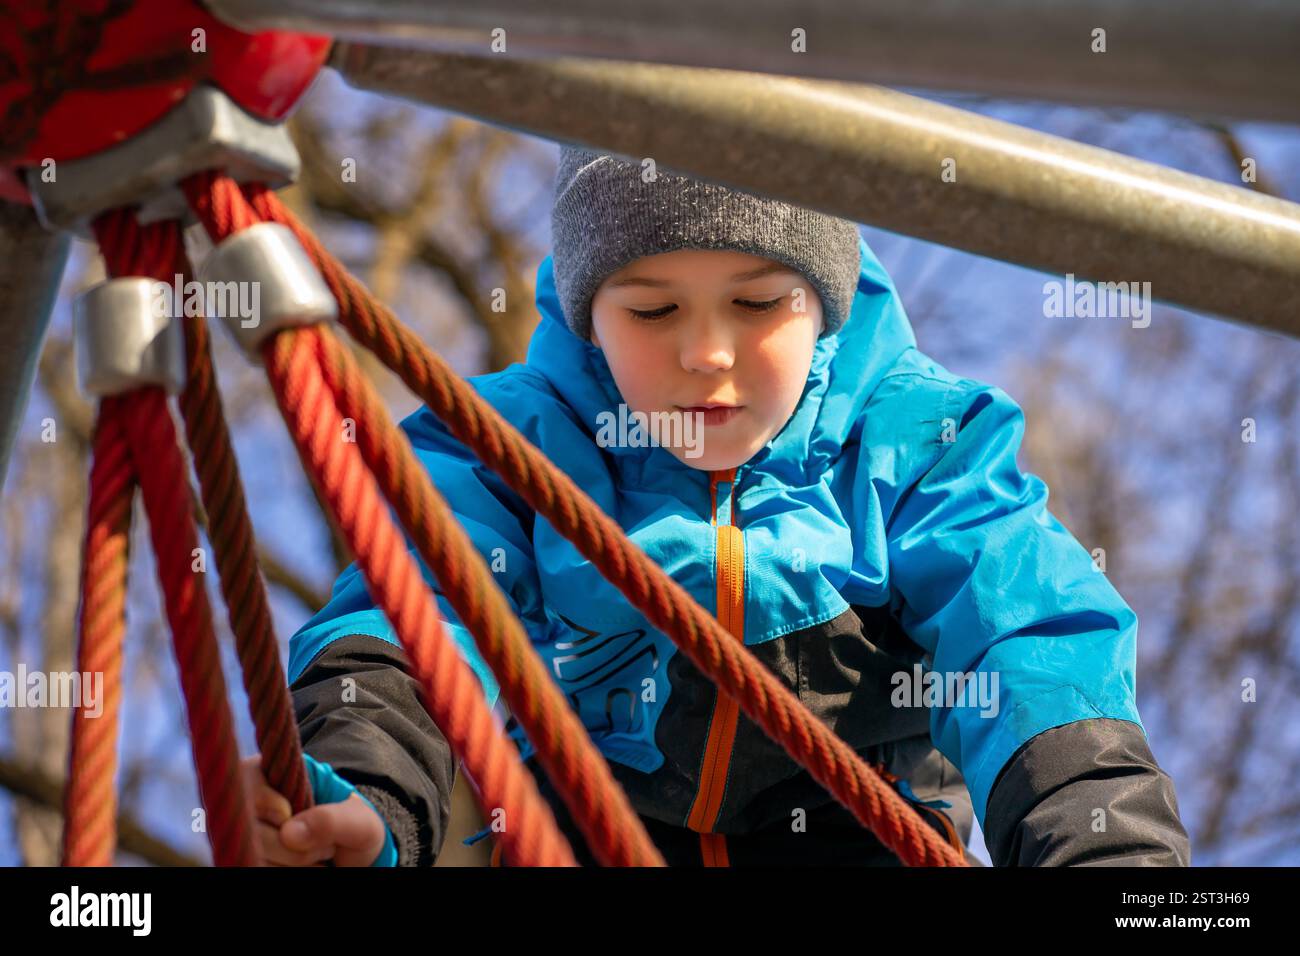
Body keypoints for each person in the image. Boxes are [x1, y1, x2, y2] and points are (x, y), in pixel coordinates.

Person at [242, 146, 1191, 867]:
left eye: (756, 301)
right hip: (588, 822)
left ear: (820, 299)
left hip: (857, 827)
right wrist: (367, 791)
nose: (707, 353)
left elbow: (1022, 635)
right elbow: (418, 607)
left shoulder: (915, 442)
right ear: (588, 313)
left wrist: (1105, 845)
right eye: (652, 311)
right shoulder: (513, 442)